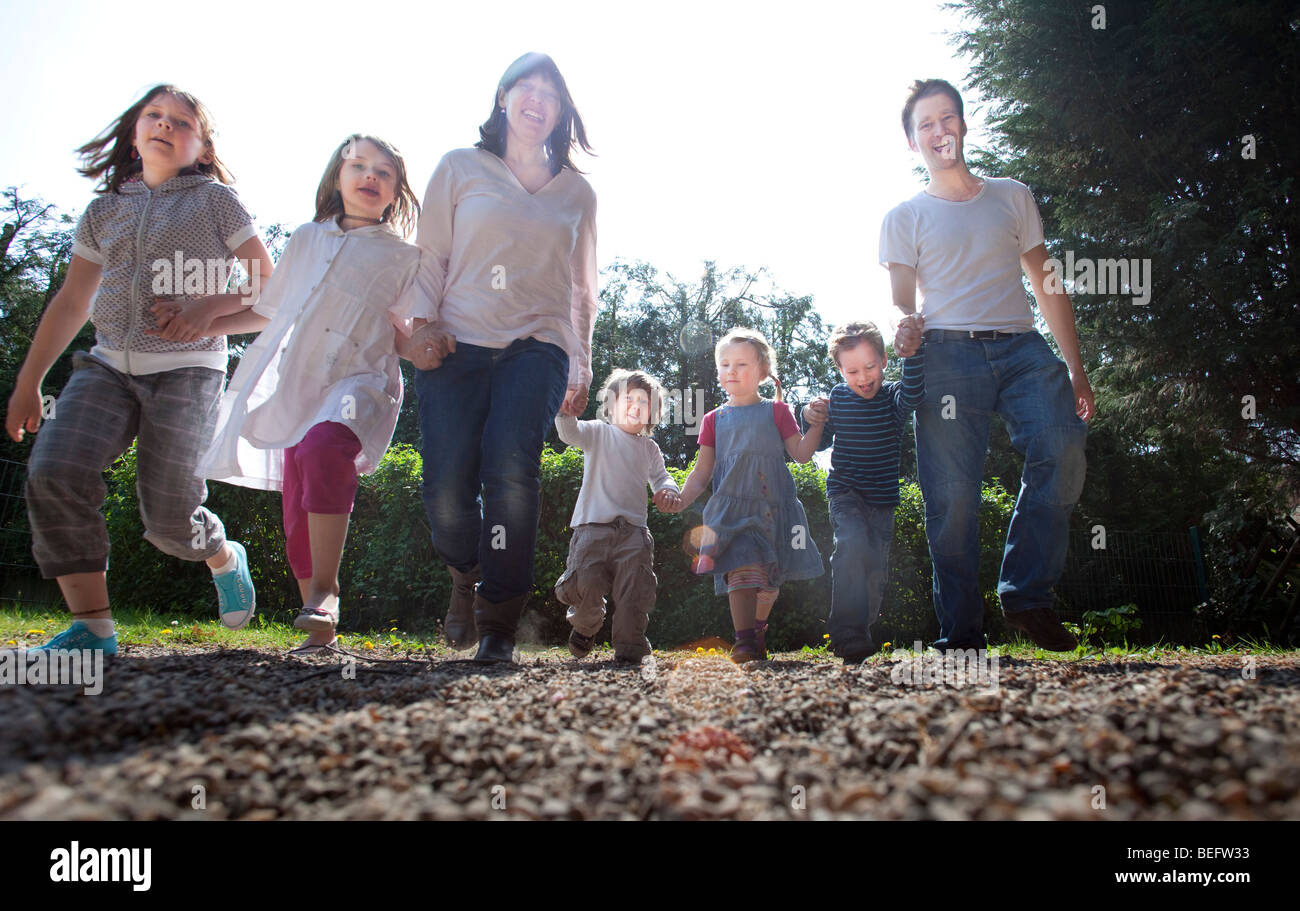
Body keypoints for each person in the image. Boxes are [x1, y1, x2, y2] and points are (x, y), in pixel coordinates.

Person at [3, 84, 273, 656]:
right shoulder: (104, 211)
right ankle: (93, 630)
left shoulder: (217, 202)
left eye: (181, 122)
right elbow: (74, 301)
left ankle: (222, 552)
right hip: (106, 366)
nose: (165, 125)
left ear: (202, 148)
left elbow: (271, 291)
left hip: (188, 371)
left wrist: (209, 312)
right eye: (154, 116)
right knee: (54, 471)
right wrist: (29, 382)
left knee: (170, 520)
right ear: (135, 131)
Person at [879, 78, 1094, 652]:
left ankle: (1026, 594)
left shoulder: (1012, 196)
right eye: (925, 123)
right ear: (912, 142)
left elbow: (1046, 282)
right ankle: (962, 634)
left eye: (946, 117)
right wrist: (905, 321)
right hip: (946, 353)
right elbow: (903, 293)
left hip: (1022, 349)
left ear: (964, 125)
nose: (938, 130)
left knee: (1062, 446)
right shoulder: (905, 216)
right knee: (950, 498)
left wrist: (1074, 366)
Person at [198, 134, 424, 653]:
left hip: (361, 381)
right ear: (336, 178)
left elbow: (408, 334)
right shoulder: (306, 238)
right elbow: (269, 309)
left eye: (384, 172)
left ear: (395, 193)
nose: (371, 176)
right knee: (297, 496)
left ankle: (326, 592)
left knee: (326, 450)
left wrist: (431, 348)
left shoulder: (405, 258)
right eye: (359, 166)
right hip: (300, 383)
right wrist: (206, 321)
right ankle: (317, 624)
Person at [408, 52, 598, 663]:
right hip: (458, 343)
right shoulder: (460, 167)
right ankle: (465, 572)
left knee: (511, 468)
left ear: (561, 110)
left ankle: (499, 621)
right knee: (444, 489)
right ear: (502, 97)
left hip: (538, 346)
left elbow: (581, 288)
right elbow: (430, 253)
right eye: (526, 87)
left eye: (551, 92)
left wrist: (581, 360)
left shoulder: (577, 193)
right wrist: (421, 324)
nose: (537, 99)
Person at [666, 329, 825, 663]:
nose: (732, 371)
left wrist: (818, 425)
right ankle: (744, 642)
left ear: (762, 372)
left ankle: (757, 629)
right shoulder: (713, 419)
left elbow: (801, 454)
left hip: (772, 509)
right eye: (725, 365)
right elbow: (701, 471)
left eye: (741, 364)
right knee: (741, 569)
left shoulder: (776, 412)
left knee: (768, 584)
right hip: (731, 512)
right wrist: (682, 497)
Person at [802, 318, 925, 663]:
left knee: (874, 567)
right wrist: (809, 414)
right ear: (840, 371)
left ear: (885, 360)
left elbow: (914, 392)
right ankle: (846, 633)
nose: (863, 378)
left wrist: (912, 353)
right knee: (851, 544)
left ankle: (862, 628)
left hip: (883, 500)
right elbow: (820, 439)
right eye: (852, 371)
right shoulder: (839, 398)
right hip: (846, 492)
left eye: (870, 367)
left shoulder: (892, 397)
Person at [555, 369, 681, 662]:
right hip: (592, 528)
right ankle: (585, 626)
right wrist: (565, 412)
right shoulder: (598, 432)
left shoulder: (649, 448)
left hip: (634, 533)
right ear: (611, 404)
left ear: (652, 414)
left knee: (634, 592)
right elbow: (570, 433)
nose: (636, 405)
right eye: (629, 398)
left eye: (644, 402)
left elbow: (662, 478)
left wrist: (668, 491)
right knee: (585, 583)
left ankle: (631, 645)